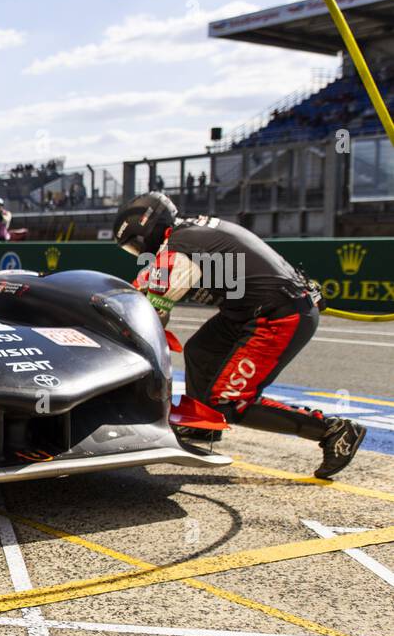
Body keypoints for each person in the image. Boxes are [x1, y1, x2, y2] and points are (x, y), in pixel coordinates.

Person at [113, 192, 365, 478]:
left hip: (278, 315)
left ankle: (334, 430)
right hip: (252, 310)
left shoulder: (180, 245)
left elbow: (154, 311)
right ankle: (201, 421)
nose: (138, 251)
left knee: (229, 401)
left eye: (135, 244)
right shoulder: (190, 233)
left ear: (149, 227)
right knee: (200, 350)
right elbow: (145, 288)